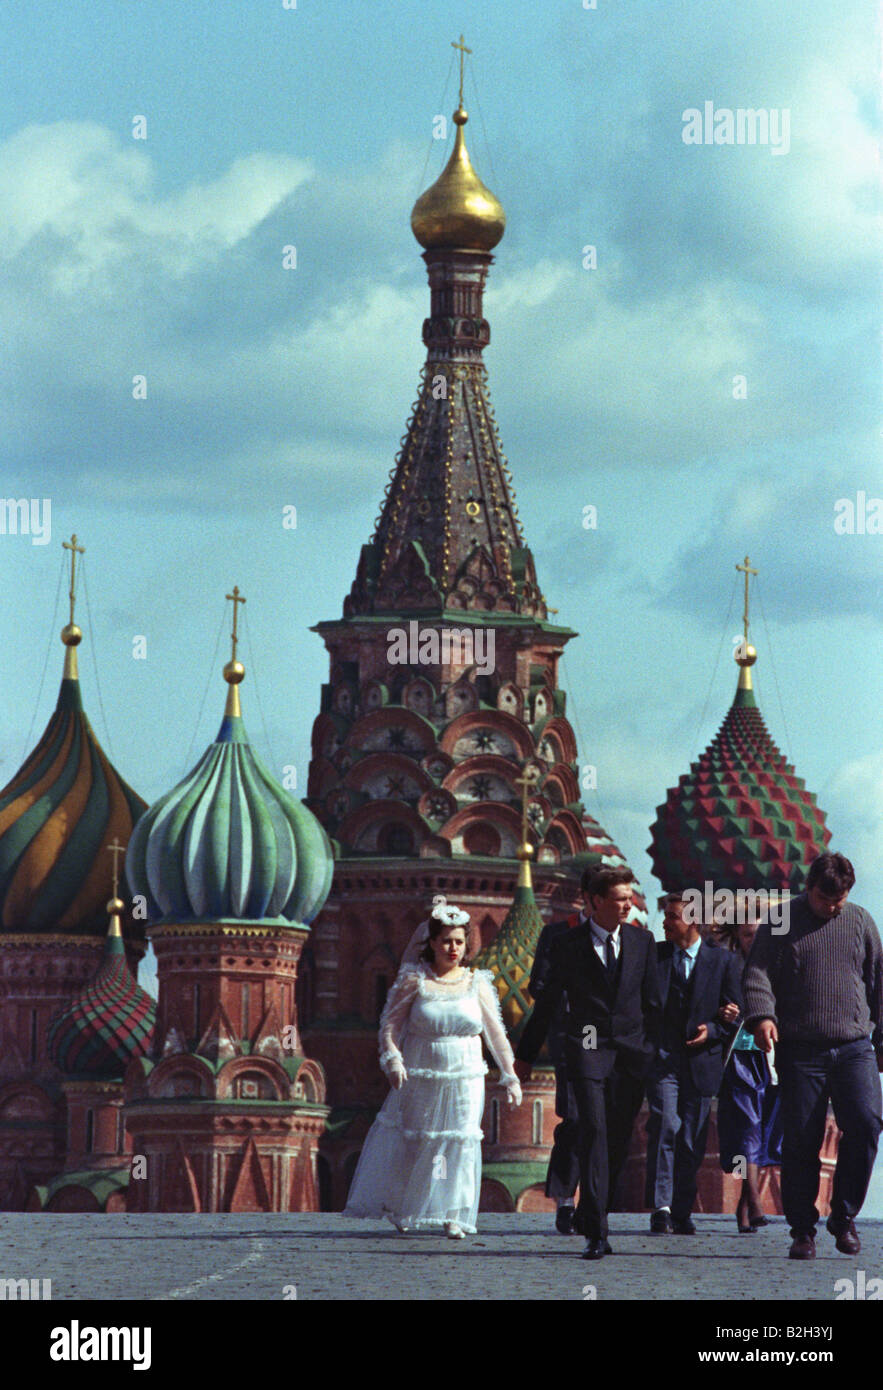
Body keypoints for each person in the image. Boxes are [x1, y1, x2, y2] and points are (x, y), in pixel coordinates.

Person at [344, 896, 522, 1237]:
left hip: (465, 1075)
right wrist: (392, 1058)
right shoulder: (415, 980)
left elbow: (495, 1034)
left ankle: (453, 1212)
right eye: (446, 941)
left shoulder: (476, 983)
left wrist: (509, 1074)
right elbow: (390, 1026)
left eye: (459, 942)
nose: (453, 948)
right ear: (432, 943)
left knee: (458, 1142)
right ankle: (405, 1206)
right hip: (422, 1073)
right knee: (419, 1139)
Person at [515, 866, 661, 1260]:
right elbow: (546, 1003)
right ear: (596, 901)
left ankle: (590, 1209)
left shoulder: (643, 941)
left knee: (616, 1141)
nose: (628, 904)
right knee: (593, 1131)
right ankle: (598, 1232)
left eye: (630, 898)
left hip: (631, 1054)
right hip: (588, 1049)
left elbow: (655, 1003)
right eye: (619, 898)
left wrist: (667, 1048)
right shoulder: (568, 944)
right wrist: (525, 1055)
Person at [743, 852, 883, 1260]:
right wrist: (762, 1016)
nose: (833, 906)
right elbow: (757, 973)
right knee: (802, 1138)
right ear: (809, 889)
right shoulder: (782, 920)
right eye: (826, 899)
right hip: (801, 1049)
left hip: (854, 1046)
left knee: (866, 1122)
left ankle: (843, 1217)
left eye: (840, 899)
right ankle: (803, 1229)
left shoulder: (859, 921)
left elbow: (879, 983)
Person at [644, 891, 742, 1234]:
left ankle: (682, 1209)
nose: (666, 923)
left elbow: (734, 1014)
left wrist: (713, 1028)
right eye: (666, 916)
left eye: (673, 916)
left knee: (691, 1138)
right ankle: (661, 1206)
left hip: (702, 1063)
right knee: (666, 1123)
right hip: (664, 1060)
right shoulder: (653, 957)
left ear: (694, 920)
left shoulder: (724, 962)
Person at [716, 915, 783, 1232]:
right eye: (746, 935)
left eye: (758, 934)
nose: (752, 940)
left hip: (772, 1057)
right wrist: (724, 1013)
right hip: (740, 1058)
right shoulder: (728, 966)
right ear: (737, 938)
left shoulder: (780, 966)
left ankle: (745, 1201)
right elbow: (711, 1004)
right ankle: (755, 1200)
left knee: (765, 1128)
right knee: (748, 1126)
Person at [527, 887, 586, 1235]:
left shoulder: (631, 938)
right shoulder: (557, 934)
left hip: (613, 1045)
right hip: (571, 1040)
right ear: (592, 899)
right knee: (576, 1119)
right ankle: (566, 1200)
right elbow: (538, 985)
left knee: (604, 1125)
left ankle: (595, 1203)